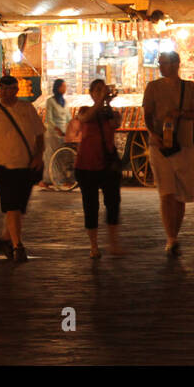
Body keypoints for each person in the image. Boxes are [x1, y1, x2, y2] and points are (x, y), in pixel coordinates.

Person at [143, 50, 194, 256]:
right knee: (166, 193)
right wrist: (154, 134)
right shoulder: (153, 88)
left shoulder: (190, 88)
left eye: (164, 63)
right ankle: (171, 237)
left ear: (176, 64)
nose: (160, 67)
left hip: (183, 145)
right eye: (159, 63)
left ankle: (174, 234)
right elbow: (147, 115)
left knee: (180, 195)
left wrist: (181, 114)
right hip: (159, 146)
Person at [0, 75, 44, 262]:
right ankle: (18, 246)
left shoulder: (27, 109)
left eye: (9, 90)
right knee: (12, 207)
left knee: (18, 208)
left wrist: (38, 155)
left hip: (25, 166)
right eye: (2, 90)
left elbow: (39, 135)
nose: (5, 94)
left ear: (16, 90)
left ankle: (6, 238)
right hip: (4, 167)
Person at [75, 79, 124, 258]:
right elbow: (85, 119)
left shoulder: (109, 113)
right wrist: (99, 102)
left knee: (113, 204)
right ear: (91, 93)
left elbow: (116, 123)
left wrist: (108, 103)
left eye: (103, 89)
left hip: (107, 165)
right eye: (97, 90)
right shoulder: (84, 111)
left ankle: (113, 243)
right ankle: (94, 246)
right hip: (86, 166)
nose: (101, 92)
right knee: (91, 206)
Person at [40, 78, 72, 190]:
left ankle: (60, 179)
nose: (65, 88)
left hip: (63, 133)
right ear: (57, 88)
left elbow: (68, 117)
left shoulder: (65, 102)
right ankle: (50, 180)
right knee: (52, 156)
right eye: (63, 86)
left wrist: (71, 127)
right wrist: (56, 128)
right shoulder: (50, 101)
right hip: (52, 133)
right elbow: (49, 118)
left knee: (62, 156)